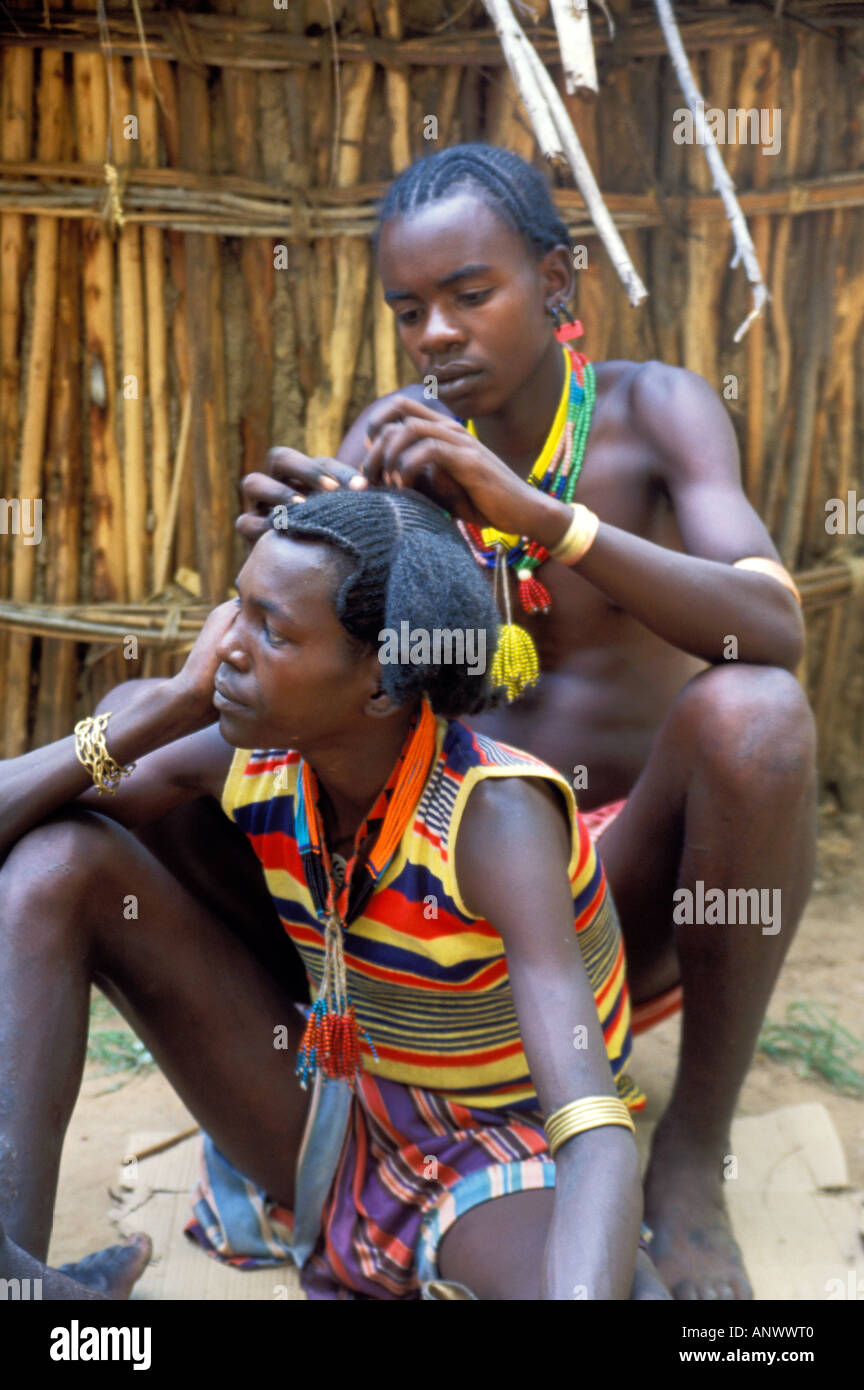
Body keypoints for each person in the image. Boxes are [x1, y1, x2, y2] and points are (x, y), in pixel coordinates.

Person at [239, 144, 818, 1299]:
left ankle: (690, 1160)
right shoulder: (391, 443)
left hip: (631, 901)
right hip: (445, 917)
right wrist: (286, 548)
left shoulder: (658, 414)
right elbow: (314, 677)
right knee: (210, 750)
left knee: (757, 714)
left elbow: (774, 627)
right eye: (410, 310)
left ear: (558, 284)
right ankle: (328, 1093)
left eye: (469, 293)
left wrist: (545, 520)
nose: (436, 334)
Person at [0, 487, 668, 1301]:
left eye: (271, 630)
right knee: (58, 863)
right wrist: (169, 704)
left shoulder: (494, 819)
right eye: (234, 609)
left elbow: (590, 1123)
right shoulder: (255, 752)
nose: (225, 649)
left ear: (383, 685)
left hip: (496, 1144)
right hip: (325, 1096)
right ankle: (21, 1288)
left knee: (613, 1292)